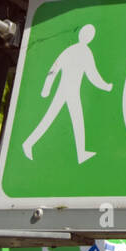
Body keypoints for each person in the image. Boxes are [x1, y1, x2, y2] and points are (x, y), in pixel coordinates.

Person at [22, 24, 112, 164]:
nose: (89, 36)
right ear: (86, 36)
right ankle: (28, 144)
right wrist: (106, 86)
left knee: (71, 119)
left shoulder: (71, 50)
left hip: (70, 91)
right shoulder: (84, 52)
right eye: (88, 34)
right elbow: (91, 75)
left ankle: (80, 153)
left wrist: (47, 89)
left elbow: (54, 70)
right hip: (68, 90)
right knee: (54, 119)